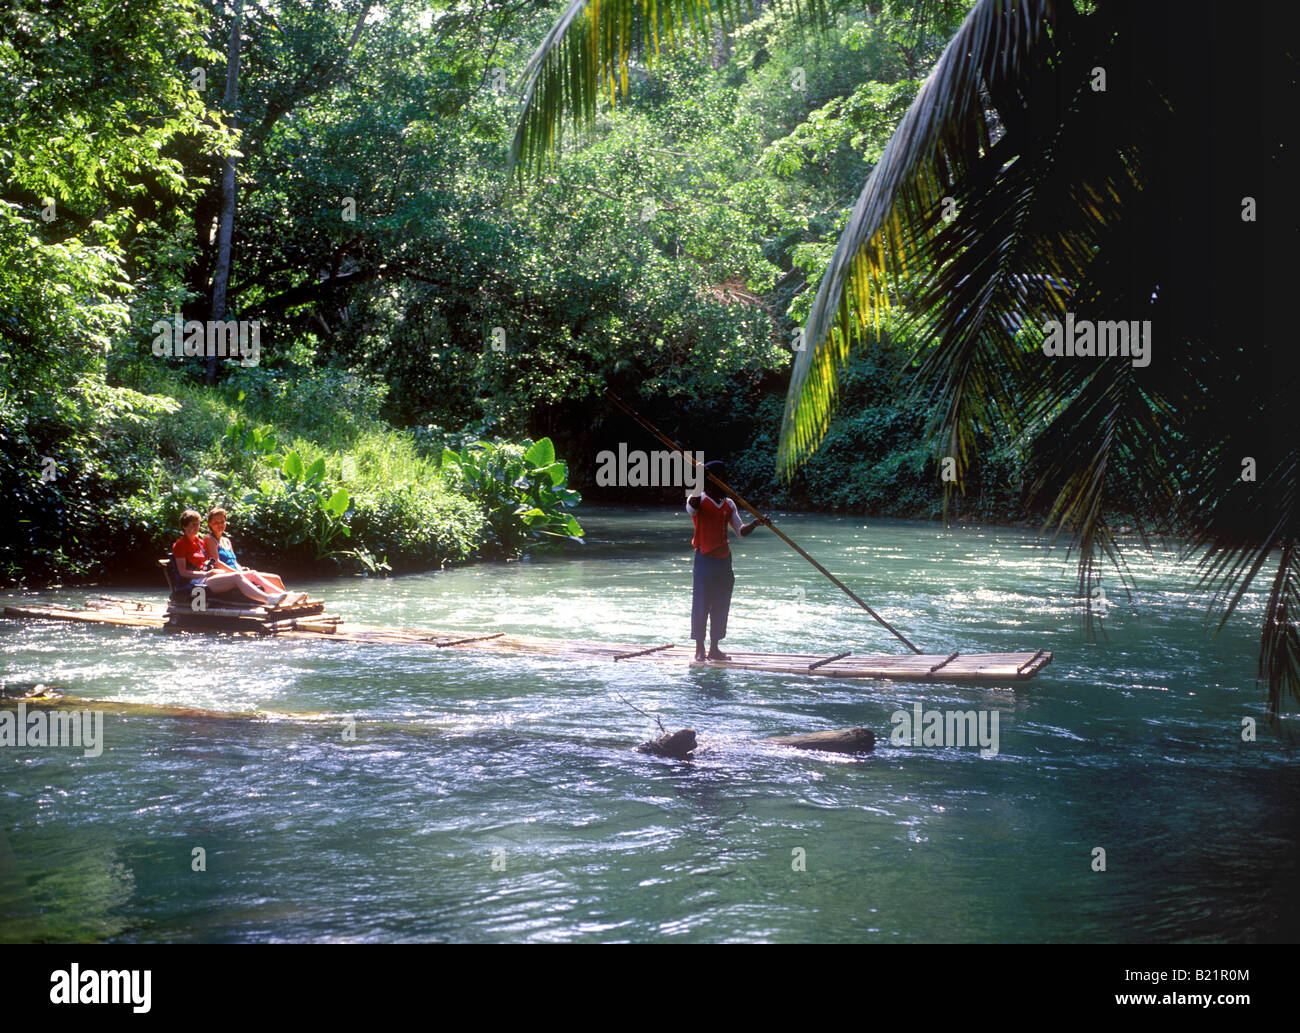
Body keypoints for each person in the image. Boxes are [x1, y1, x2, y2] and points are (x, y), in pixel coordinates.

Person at [685, 460, 770, 662]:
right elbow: (692, 507)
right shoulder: (697, 499)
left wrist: (756, 523)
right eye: (722, 477)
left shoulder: (729, 504)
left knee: (721, 605)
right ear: (712, 480)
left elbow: (740, 531)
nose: (726, 481)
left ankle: (714, 648)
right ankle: (700, 648)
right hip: (704, 560)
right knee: (701, 604)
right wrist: (699, 479)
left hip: (724, 561)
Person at [171, 509, 295, 608]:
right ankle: (268, 599)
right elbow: (183, 572)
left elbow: (210, 561)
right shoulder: (180, 545)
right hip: (196, 582)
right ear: (184, 527)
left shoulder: (198, 542)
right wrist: (206, 573)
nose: (196, 528)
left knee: (251, 573)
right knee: (237, 576)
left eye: (198, 525)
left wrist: (213, 571)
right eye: (193, 525)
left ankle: (284, 596)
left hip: (207, 577)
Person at [202, 507, 304, 602]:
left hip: (237, 571)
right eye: (216, 522)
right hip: (226, 574)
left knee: (276, 578)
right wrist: (238, 572)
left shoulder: (226, 540)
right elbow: (216, 563)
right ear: (210, 524)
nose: (220, 525)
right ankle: (287, 598)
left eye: (222, 521)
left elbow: (235, 562)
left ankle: (286, 597)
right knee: (253, 573)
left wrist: (241, 569)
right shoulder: (209, 539)